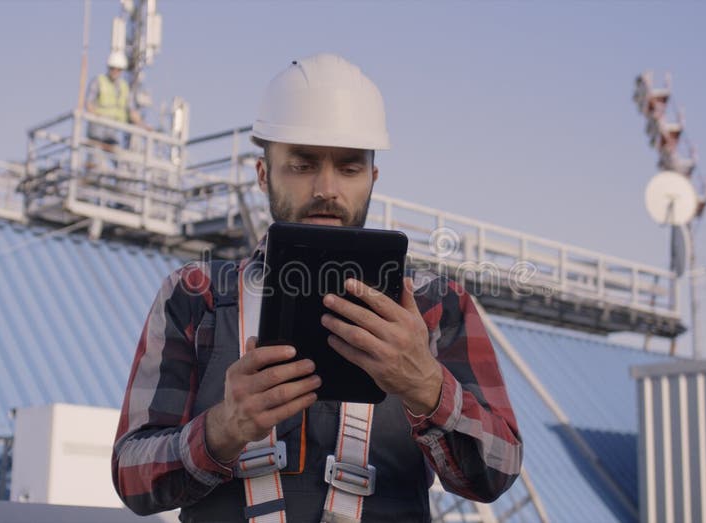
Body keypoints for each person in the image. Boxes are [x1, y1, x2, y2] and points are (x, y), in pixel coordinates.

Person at [112, 53, 522, 522]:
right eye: (303, 165)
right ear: (263, 173)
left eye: (349, 168)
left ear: (373, 178)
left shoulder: (437, 306)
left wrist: (426, 386)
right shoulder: (194, 295)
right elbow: (131, 476)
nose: (326, 188)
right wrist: (222, 430)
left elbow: (498, 471)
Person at [85, 51, 147, 151]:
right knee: (96, 159)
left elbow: (132, 111)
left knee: (119, 160)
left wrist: (144, 126)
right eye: (112, 68)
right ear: (109, 68)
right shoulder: (99, 81)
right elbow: (89, 104)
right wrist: (97, 116)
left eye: (118, 69)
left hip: (112, 132)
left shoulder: (124, 87)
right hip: (97, 130)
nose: (115, 71)